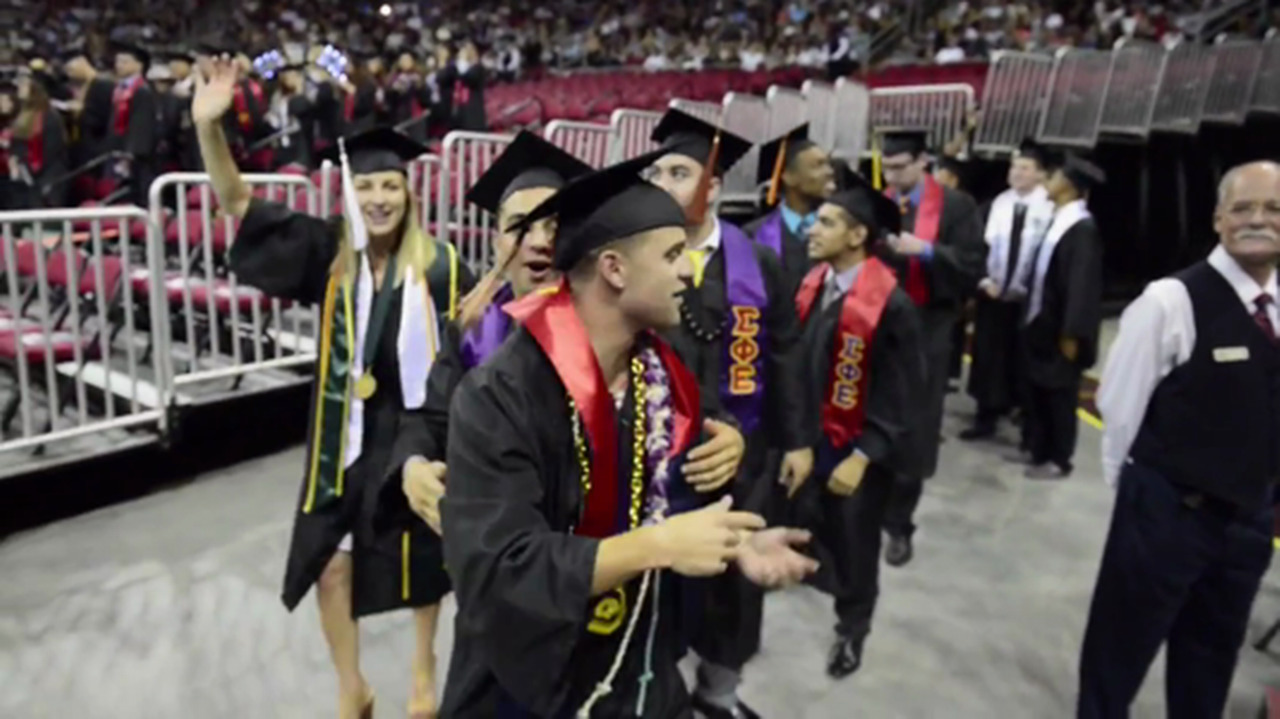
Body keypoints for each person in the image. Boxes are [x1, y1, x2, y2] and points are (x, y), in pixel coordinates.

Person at [440, 152, 819, 718]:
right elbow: (501, 569)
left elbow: (669, 501)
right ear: (614, 269)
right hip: (529, 681)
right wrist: (660, 546)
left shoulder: (664, 376)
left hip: (640, 669)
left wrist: (734, 544)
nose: (691, 271)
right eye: (672, 255)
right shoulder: (502, 394)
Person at [192, 60, 474, 719]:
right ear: (350, 192)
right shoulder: (328, 253)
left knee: (424, 558)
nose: (379, 198)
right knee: (331, 567)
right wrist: (210, 130)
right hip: (342, 440)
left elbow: (462, 355)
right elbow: (239, 203)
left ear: (410, 193)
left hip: (411, 432)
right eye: (367, 185)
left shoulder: (442, 267)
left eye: (390, 186)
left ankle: (423, 669)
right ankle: (352, 686)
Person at [1077, 160, 1280, 719]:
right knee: (1117, 656)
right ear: (1218, 219)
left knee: (1210, 660)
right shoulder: (1171, 301)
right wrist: (1143, 504)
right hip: (1167, 514)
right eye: (1243, 208)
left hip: (1248, 524)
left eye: (1274, 209)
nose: (1258, 219)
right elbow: (1118, 408)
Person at [645, 108, 816, 719]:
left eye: (680, 171)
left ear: (713, 187)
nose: (664, 183)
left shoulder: (758, 263)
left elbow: (788, 355)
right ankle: (655, 693)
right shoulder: (636, 263)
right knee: (659, 584)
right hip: (656, 463)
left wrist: (799, 441)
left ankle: (717, 695)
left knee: (734, 588)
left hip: (746, 456)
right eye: (658, 171)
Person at [380, 129, 593, 535]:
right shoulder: (473, 328)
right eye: (520, 227)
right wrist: (414, 465)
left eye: (555, 224)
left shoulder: (612, 327)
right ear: (497, 242)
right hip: (496, 547)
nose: (539, 241)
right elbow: (430, 417)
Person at [793, 168, 925, 679]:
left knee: (856, 545)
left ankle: (853, 627)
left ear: (856, 235)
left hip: (855, 452)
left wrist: (864, 455)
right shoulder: (812, 284)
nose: (812, 229)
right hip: (809, 440)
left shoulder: (890, 305)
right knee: (812, 525)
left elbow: (901, 394)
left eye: (826, 222)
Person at [876, 128, 985, 566]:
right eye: (887, 165)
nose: (892, 173)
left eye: (900, 166)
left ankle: (900, 524)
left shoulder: (956, 208)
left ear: (923, 161)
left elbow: (974, 265)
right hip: (877, 324)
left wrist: (927, 251)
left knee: (915, 427)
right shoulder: (877, 203)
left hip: (929, 325)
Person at [962, 139, 1055, 441]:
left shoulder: (1051, 209)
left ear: (1041, 174)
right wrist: (982, 280)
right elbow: (976, 249)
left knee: (1024, 362)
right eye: (1014, 167)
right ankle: (985, 417)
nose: (1017, 173)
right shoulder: (997, 205)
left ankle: (1025, 421)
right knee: (989, 357)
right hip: (994, 296)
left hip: (1031, 301)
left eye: (1025, 168)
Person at [1020, 153, 1105, 480]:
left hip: (1061, 330)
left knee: (1059, 396)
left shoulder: (1081, 229)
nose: (1047, 182)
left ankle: (1059, 458)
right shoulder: (1059, 219)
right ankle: (1039, 451)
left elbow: (1081, 287)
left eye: (1053, 177)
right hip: (1043, 323)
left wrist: (1072, 333)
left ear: (1069, 186)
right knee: (1039, 391)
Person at [745, 123, 835, 296]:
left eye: (828, 164)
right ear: (788, 177)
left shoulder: (841, 231)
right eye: (818, 166)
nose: (829, 172)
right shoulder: (753, 236)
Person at [106, 42, 157, 206]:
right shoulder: (119, 89)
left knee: (138, 193)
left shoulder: (142, 90)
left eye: (124, 61)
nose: (118, 65)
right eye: (117, 61)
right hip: (119, 147)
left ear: (139, 65)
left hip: (137, 155)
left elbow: (142, 125)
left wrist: (132, 152)